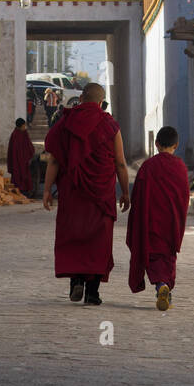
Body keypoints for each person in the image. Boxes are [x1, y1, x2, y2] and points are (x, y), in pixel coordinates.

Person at [42, 83, 129, 305]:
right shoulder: (110, 125)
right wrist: (126, 192)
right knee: (98, 241)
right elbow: (120, 163)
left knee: (73, 237)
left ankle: (76, 281)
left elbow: (54, 159)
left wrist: (46, 190)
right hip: (101, 195)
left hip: (73, 194)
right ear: (101, 102)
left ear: (80, 98)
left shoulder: (65, 123)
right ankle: (93, 292)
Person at [126, 125, 190, 312]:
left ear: (156, 144)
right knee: (168, 256)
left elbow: (137, 196)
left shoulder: (148, 166)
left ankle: (161, 285)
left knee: (153, 256)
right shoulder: (180, 167)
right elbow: (184, 197)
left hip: (151, 222)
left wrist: (136, 218)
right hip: (171, 222)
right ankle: (165, 287)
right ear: (176, 145)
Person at [7, 117, 35, 196]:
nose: (24, 127)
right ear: (20, 126)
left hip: (24, 159)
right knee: (18, 175)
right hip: (17, 160)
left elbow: (28, 145)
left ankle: (25, 190)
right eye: (23, 126)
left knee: (25, 175)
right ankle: (19, 190)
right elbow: (14, 150)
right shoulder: (15, 135)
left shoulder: (24, 133)